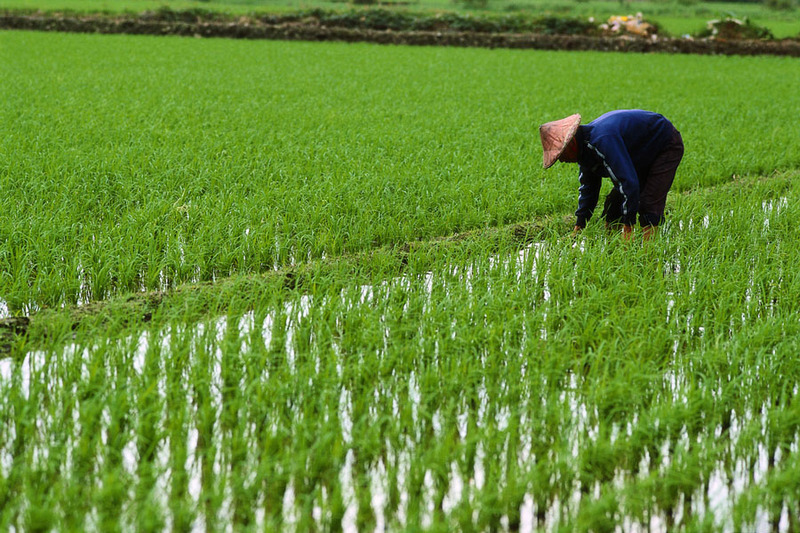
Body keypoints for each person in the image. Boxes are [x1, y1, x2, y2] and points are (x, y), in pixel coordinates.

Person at [539, 110, 684, 240]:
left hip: (664, 144)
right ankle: (613, 250)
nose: (562, 160)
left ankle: (648, 256)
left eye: (561, 155)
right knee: (613, 205)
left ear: (571, 143)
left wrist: (629, 225)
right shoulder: (584, 151)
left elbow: (628, 182)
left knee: (649, 203)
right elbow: (589, 189)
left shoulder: (602, 141)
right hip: (639, 153)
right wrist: (580, 225)